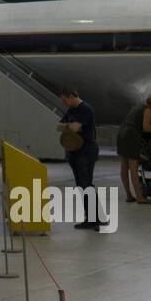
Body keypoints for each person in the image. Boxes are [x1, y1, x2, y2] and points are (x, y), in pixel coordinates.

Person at [57, 87, 102, 228]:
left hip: (86, 152)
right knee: (82, 186)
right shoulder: (72, 110)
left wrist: (72, 127)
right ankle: (91, 218)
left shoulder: (85, 109)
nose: (64, 103)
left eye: (64, 100)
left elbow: (75, 128)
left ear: (71, 96)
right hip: (75, 152)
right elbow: (58, 126)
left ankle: (97, 218)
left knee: (86, 184)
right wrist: (71, 126)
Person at [115, 96, 151, 204]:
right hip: (131, 135)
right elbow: (146, 128)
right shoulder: (147, 109)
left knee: (124, 165)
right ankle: (140, 197)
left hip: (122, 133)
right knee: (133, 166)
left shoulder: (137, 107)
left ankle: (129, 195)